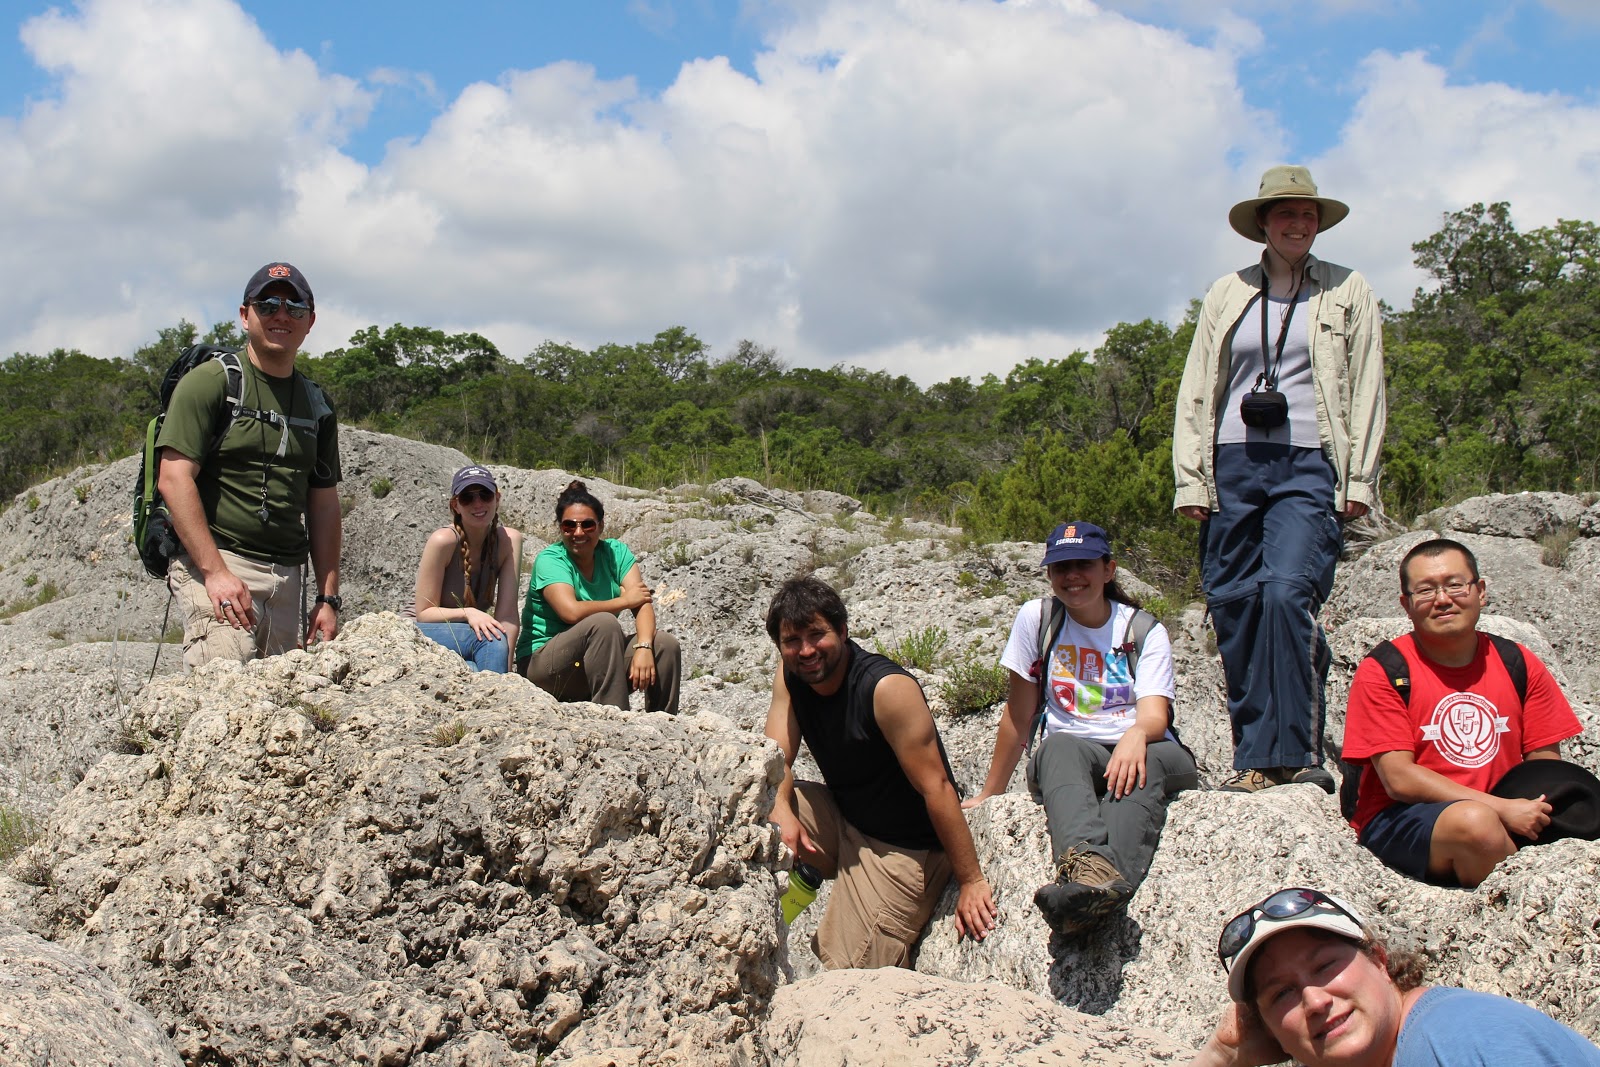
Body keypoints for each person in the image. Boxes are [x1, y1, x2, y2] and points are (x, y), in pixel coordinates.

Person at [1173, 164, 1386, 794]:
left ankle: (1295, 753)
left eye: (1309, 215)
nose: (1299, 224)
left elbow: (1369, 384)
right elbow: (1197, 389)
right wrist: (1192, 479)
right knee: (1235, 603)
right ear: (1263, 224)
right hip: (1232, 461)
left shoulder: (1348, 291)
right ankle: (1254, 760)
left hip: (1309, 459)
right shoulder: (1227, 292)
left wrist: (1359, 478)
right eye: (1286, 214)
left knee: (1288, 592)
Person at [965, 521, 1197, 935]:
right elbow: (1019, 714)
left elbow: (1155, 716)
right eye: (1061, 567)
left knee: (1142, 772)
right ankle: (1092, 880)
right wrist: (990, 794)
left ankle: (1087, 887)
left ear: (1108, 569)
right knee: (1058, 748)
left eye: (1084, 564)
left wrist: (1135, 736)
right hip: (1075, 751)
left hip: (1151, 744)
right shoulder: (1038, 619)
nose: (1072, 576)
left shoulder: (1143, 630)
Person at [762, 576, 998, 968]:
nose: (805, 650)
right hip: (846, 816)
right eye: (791, 641)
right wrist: (783, 811)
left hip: (905, 847)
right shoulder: (791, 675)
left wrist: (971, 880)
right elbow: (774, 758)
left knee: (847, 970)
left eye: (817, 635)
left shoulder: (885, 689)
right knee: (754, 806)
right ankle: (774, 912)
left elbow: (937, 788)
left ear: (842, 630)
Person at [1342, 539, 1582, 887]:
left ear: (1480, 591)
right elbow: (1399, 779)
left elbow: (1545, 767)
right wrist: (1500, 809)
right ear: (1406, 605)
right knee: (1476, 823)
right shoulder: (1385, 668)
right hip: (1403, 817)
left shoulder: (1517, 663)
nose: (1442, 600)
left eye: (1455, 585)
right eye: (1425, 590)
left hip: (1504, 813)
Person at [156, 262, 342, 667]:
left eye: (294, 307)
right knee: (223, 678)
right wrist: (216, 573)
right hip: (219, 560)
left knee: (279, 701)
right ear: (245, 315)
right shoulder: (211, 383)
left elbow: (324, 504)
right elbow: (173, 479)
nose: (281, 315)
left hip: (286, 575)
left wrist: (328, 598)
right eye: (268, 304)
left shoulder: (318, 405)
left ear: (310, 321)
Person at [1189, 886, 1600, 1066]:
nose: (1315, 1000)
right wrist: (1222, 1057)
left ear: (1381, 961)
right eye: (1282, 994)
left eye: (1325, 966)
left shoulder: (1454, 1038)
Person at [516, 480, 680, 712]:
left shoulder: (616, 553)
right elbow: (570, 611)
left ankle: (664, 727)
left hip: (594, 660)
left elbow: (642, 602)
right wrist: (624, 600)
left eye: (588, 525)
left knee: (664, 645)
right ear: (560, 528)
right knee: (603, 623)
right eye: (569, 526)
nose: (578, 532)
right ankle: (614, 719)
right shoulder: (551, 559)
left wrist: (644, 647)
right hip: (544, 665)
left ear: (601, 526)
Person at [406, 465, 523, 672]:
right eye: (467, 498)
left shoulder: (509, 541)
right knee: (491, 639)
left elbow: (508, 616)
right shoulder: (443, 541)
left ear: (497, 498)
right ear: (455, 505)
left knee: (472, 668)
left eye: (485, 495)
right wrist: (468, 613)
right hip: (416, 631)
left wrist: (507, 679)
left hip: (464, 636)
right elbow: (424, 613)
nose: (477, 504)